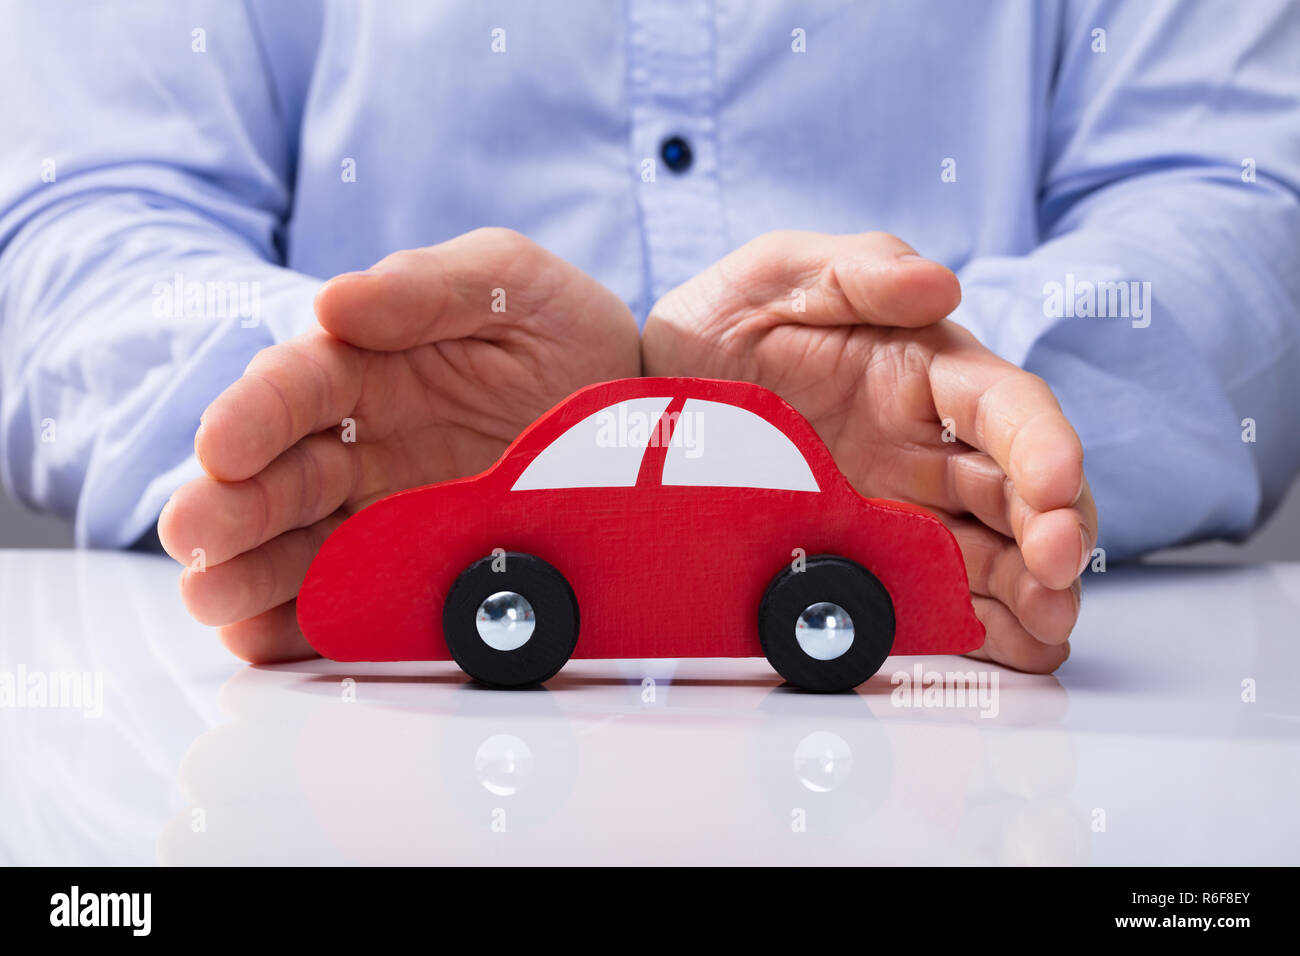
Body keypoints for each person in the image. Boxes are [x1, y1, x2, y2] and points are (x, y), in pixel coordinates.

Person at [2, 1, 1297, 673]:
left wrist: (969, 394)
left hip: (1009, 752)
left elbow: (1252, 194)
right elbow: (74, 210)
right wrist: (323, 386)